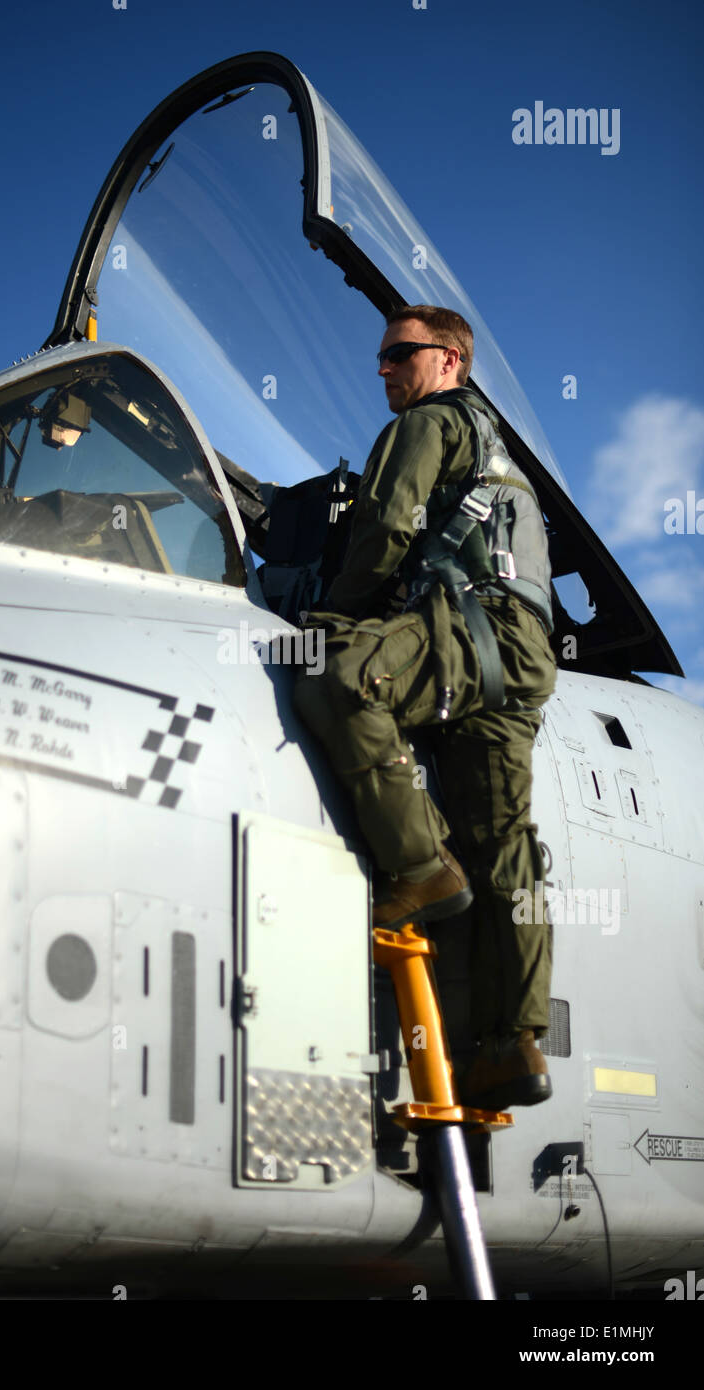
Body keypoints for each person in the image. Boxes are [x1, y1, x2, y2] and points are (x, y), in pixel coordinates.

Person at [292, 305, 557, 1109]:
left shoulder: (431, 422)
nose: (383, 370)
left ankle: (416, 868)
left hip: (469, 629)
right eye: (381, 358)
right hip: (524, 658)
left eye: (398, 355)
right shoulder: (507, 464)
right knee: (502, 843)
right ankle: (509, 1047)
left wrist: (337, 615)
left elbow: (385, 525)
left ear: (448, 360)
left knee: (340, 680)